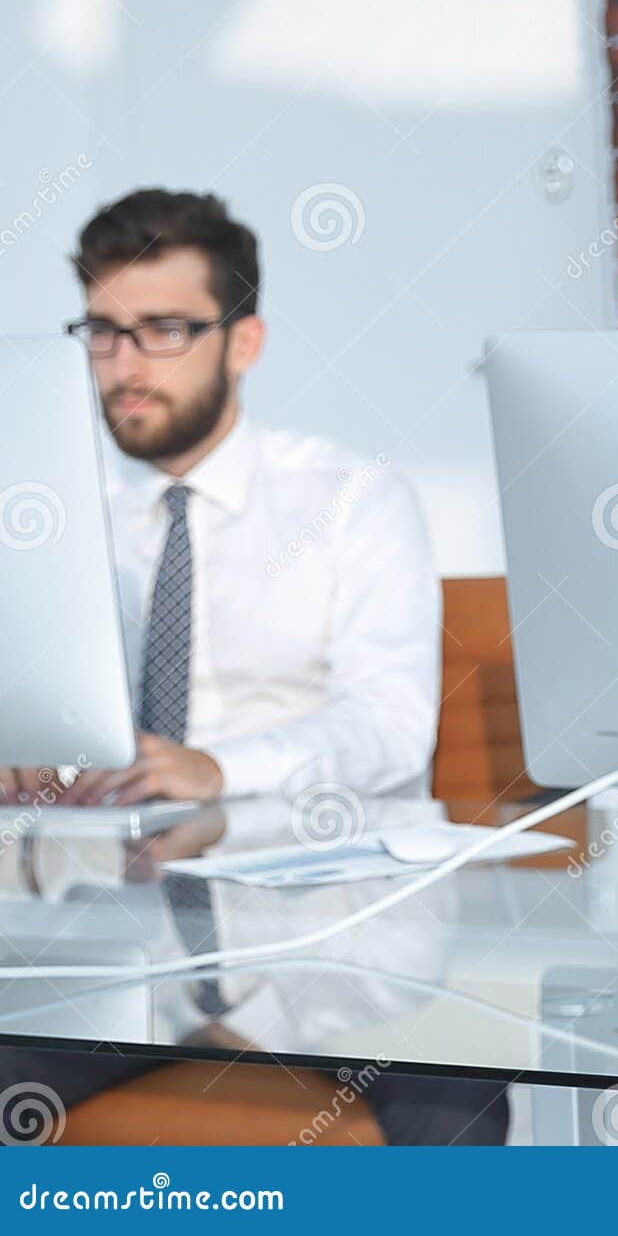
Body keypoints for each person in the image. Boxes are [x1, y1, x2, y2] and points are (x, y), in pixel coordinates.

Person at [0, 188, 508, 1144]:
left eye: (163, 330)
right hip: (104, 936)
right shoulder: (40, 511)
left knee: (460, 1101)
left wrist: (215, 769)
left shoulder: (351, 498)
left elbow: (393, 729)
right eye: (102, 332)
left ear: (243, 342)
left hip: (327, 936)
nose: (125, 365)